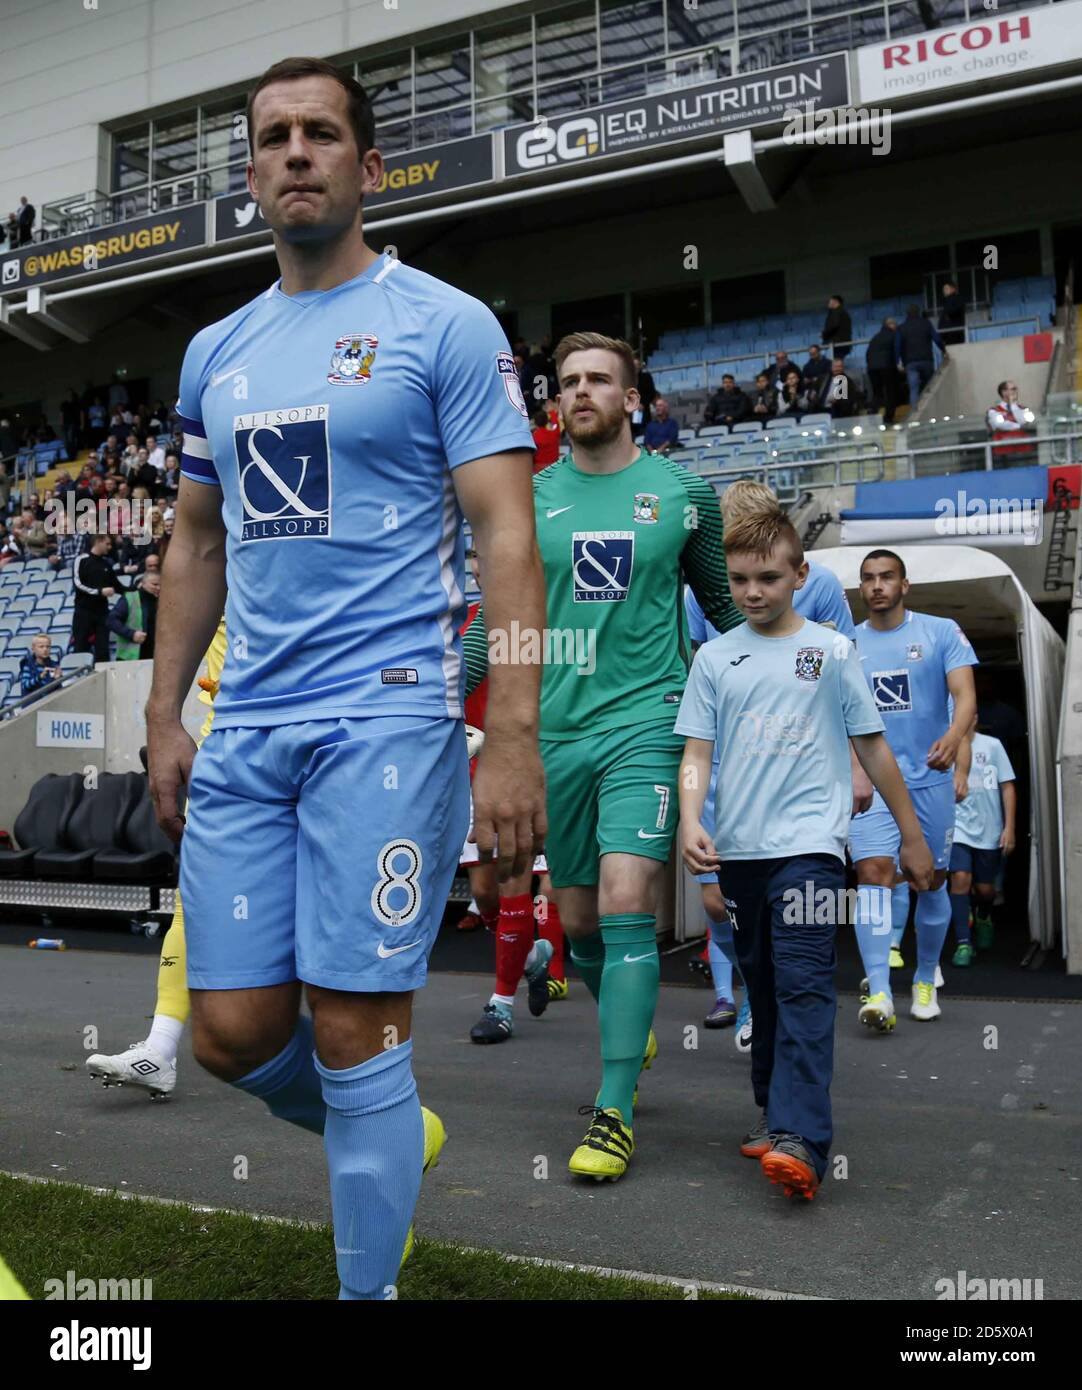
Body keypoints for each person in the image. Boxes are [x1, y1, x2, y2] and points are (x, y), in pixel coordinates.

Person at [146, 56, 544, 1303]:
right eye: (275, 137)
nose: (297, 153)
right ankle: (391, 1134)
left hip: (387, 714)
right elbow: (197, 541)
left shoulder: (445, 323)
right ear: (252, 174)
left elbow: (508, 538)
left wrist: (514, 730)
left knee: (351, 1028)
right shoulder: (216, 350)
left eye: (322, 134)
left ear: (367, 169)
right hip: (248, 721)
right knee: (227, 1035)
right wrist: (164, 712)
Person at [462, 331, 742, 1182]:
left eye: (599, 380)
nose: (581, 391)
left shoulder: (684, 494)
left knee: (625, 901)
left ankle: (613, 1108)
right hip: (556, 733)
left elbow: (727, 608)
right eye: (568, 382)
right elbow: (493, 624)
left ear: (633, 398)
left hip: (648, 720)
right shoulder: (529, 498)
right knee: (578, 926)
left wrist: (804, 674)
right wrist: (437, 696)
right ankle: (630, 1028)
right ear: (556, 403)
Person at [676, 507, 933, 1201]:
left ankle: (804, 1140)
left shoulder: (832, 651)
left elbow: (872, 746)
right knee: (762, 987)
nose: (753, 591)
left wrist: (909, 834)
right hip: (738, 855)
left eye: (767, 577)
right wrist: (691, 818)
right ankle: (773, 1114)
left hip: (811, 852)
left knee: (803, 983)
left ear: (799, 575)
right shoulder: (713, 657)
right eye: (738, 580)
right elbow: (696, 753)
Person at [87, 621, 228, 1101]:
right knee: (193, 902)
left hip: (329, 741)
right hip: (227, 749)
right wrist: (162, 718)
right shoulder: (218, 555)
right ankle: (160, 1050)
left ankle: (362, 1072)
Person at [848, 549, 977, 1029]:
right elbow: (836, 715)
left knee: (930, 882)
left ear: (905, 585)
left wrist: (954, 734)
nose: (877, 585)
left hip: (929, 778)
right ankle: (879, 992)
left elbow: (964, 695)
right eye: (868, 579)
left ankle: (924, 975)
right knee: (875, 873)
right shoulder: (846, 643)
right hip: (873, 784)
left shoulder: (940, 631)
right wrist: (853, 769)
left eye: (886, 577)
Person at [462, 544, 566, 1041]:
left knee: (514, 883)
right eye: (476, 555)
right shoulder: (465, 622)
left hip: (525, 771)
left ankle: (500, 1004)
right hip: (471, 776)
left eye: (490, 553)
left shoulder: (546, 620)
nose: (482, 564)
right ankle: (531, 955)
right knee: (483, 893)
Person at [948, 714, 1015, 964]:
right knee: (960, 879)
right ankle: (963, 943)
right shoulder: (946, 746)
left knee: (985, 890)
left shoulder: (992, 746)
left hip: (989, 828)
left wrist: (1010, 826)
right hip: (958, 827)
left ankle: (983, 914)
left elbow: (1007, 786)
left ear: (975, 719)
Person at [72, 533, 119, 663]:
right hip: (83, 612)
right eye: (107, 544)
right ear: (98, 541)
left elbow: (117, 586)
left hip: (102, 612)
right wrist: (99, 592)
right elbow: (78, 583)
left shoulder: (106, 564)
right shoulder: (82, 559)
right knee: (80, 647)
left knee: (103, 649)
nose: (110, 547)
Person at [895, 305, 947, 406]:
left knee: (913, 389)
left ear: (907, 314)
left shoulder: (901, 328)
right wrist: (944, 350)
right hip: (926, 360)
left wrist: (898, 361)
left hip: (910, 362)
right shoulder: (926, 323)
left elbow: (897, 345)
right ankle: (933, 408)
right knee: (930, 387)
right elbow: (936, 339)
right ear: (918, 312)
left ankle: (915, 414)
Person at [108, 569, 160, 660]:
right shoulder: (130, 598)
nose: (158, 588)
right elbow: (111, 620)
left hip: (157, 656)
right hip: (130, 658)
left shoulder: (164, 601)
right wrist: (132, 634)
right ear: (143, 583)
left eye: (161, 585)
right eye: (154, 584)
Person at [986, 380, 1036, 464]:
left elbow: (1030, 422)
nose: (1015, 391)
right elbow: (999, 425)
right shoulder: (994, 410)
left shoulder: (1022, 408)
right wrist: (1019, 426)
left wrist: (1012, 420)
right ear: (1003, 392)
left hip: (1023, 449)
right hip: (1003, 451)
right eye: (1012, 389)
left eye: (1015, 389)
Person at [866, 317, 900, 420]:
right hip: (887, 366)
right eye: (895, 325)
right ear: (891, 325)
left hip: (872, 368)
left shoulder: (875, 337)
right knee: (890, 392)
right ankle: (888, 417)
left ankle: (872, 410)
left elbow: (868, 353)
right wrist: (898, 364)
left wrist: (871, 365)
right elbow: (897, 350)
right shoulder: (894, 335)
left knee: (877, 393)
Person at [19, 633, 62, 703]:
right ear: (33, 648)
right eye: (41, 647)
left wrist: (57, 680)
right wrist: (39, 677)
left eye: (48, 647)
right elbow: (25, 685)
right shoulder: (27, 665)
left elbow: (56, 690)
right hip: (32, 707)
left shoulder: (54, 665)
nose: (45, 649)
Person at [631, 354, 657, 439]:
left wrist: (643, 404)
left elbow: (651, 393)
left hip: (644, 410)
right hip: (631, 413)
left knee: (647, 433)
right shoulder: (626, 380)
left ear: (640, 366)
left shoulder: (646, 377)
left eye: (637, 365)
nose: (635, 368)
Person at [531, 407, 561, 472]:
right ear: (547, 421)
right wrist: (552, 412)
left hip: (539, 469)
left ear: (535, 423)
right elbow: (556, 423)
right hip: (554, 467)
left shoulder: (533, 437)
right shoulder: (555, 433)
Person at [822, 294, 852, 359]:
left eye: (830, 301)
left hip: (837, 343)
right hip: (843, 343)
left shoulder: (836, 312)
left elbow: (834, 325)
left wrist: (824, 334)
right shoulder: (843, 312)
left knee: (836, 363)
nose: (828, 303)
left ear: (835, 302)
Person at [938, 281, 966, 346]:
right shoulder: (947, 302)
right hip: (948, 336)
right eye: (943, 289)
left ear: (953, 289)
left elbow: (951, 312)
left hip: (955, 336)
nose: (944, 291)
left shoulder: (957, 299)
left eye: (946, 289)